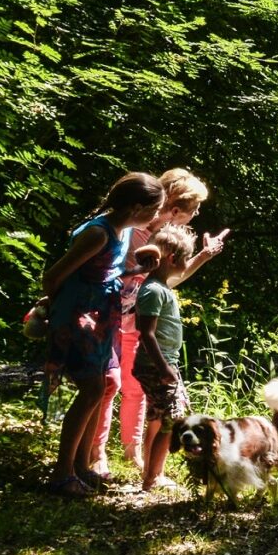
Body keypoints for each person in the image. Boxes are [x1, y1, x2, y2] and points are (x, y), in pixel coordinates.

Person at [87, 168, 229, 475]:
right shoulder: (133, 229)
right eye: (195, 209)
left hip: (137, 319)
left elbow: (168, 280)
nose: (197, 215)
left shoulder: (164, 238)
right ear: (176, 210)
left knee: (136, 389)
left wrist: (203, 255)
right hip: (110, 316)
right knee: (109, 385)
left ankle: (133, 452)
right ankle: (96, 454)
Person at [42, 172, 166, 497]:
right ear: (137, 207)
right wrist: (57, 315)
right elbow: (53, 276)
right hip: (79, 318)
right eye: (154, 210)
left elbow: (103, 272)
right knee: (92, 387)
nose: (156, 218)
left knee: (106, 383)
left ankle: (81, 466)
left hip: (101, 317)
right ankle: (61, 474)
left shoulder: (121, 231)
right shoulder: (98, 233)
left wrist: (137, 272)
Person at [131, 224, 197, 490]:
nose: (186, 264)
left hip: (161, 365)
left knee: (161, 418)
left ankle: (151, 472)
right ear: (173, 259)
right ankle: (152, 478)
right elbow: (146, 333)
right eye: (185, 259)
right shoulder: (154, 290)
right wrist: (164, 368)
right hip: (156, 366)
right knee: (171, 421)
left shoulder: (160, 287)